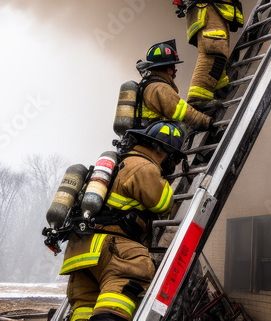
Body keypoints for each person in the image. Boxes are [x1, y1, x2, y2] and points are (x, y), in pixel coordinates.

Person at [59, 121, 186, 321]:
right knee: (121, 294)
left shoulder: (120, 163)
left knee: (84, 309)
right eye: (173, 157)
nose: (172, 163)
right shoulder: (143, 165)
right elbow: (163, 203)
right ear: (160, 149)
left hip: (82, 250)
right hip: (115, 250)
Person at [185, 0, 259, 104]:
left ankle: (219, 88)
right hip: (210, 9)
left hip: (208, 11)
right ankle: (197, 99)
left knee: (218, 53)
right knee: (215, 50)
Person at [135, 40, 214, 132]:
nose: (175, 71)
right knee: (185, 128)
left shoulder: (149, 85)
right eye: (174, 67)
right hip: (160, 137)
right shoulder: (160, 88)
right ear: (169, 69)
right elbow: (183, 113)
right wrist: (207, 122)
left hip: (150, 135)